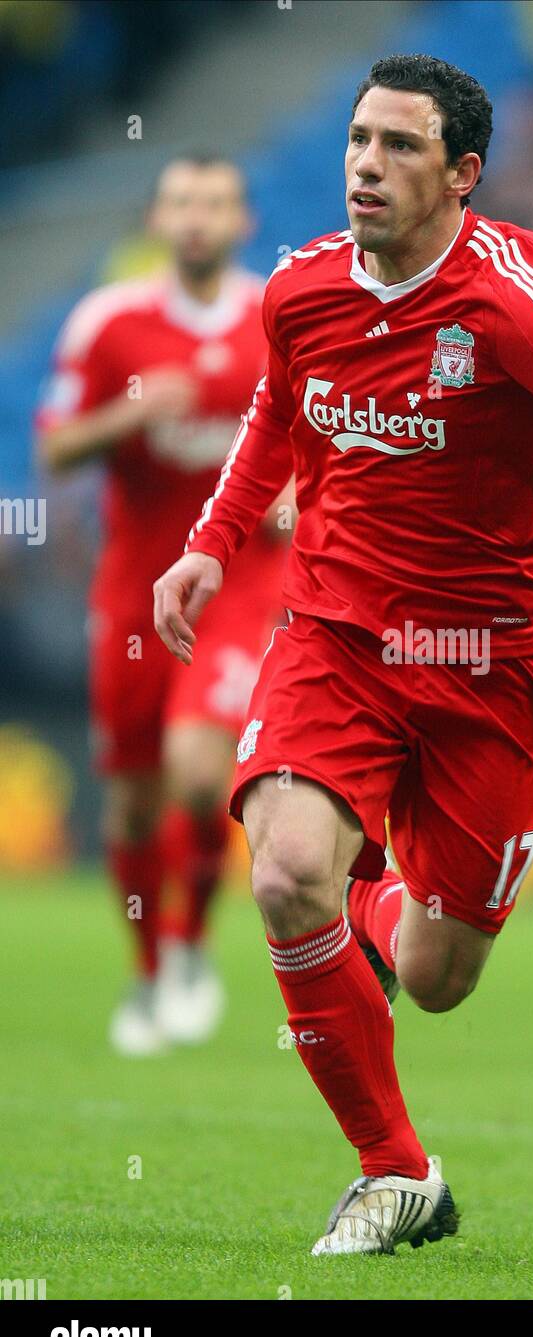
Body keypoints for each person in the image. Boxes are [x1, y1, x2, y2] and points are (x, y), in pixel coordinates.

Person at [153, 57, 533, 1254]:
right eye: (360, 139)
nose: (365, 163)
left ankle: (377, 902)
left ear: (462, 172)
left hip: (491, 666)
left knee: (434, 974)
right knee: (282, 868)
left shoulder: (523, 296)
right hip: (335, 636)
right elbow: (277, 407)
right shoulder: (302, 287)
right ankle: (395, 1172)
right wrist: (211, 542)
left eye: (400, 147)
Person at [37, 155, 293, 1055]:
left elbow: (318, 438)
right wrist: (130, 416)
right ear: (157, 216)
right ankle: (148, 971)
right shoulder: (109, 322)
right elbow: (54, 452)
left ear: (242, 219)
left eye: (213, 203)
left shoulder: (277, 317)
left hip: (237, 584)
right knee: (135, 804)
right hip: (132, 591)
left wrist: (295, 498)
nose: (195, 219)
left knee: (197, 773)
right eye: (180, 202)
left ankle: (189, 946)